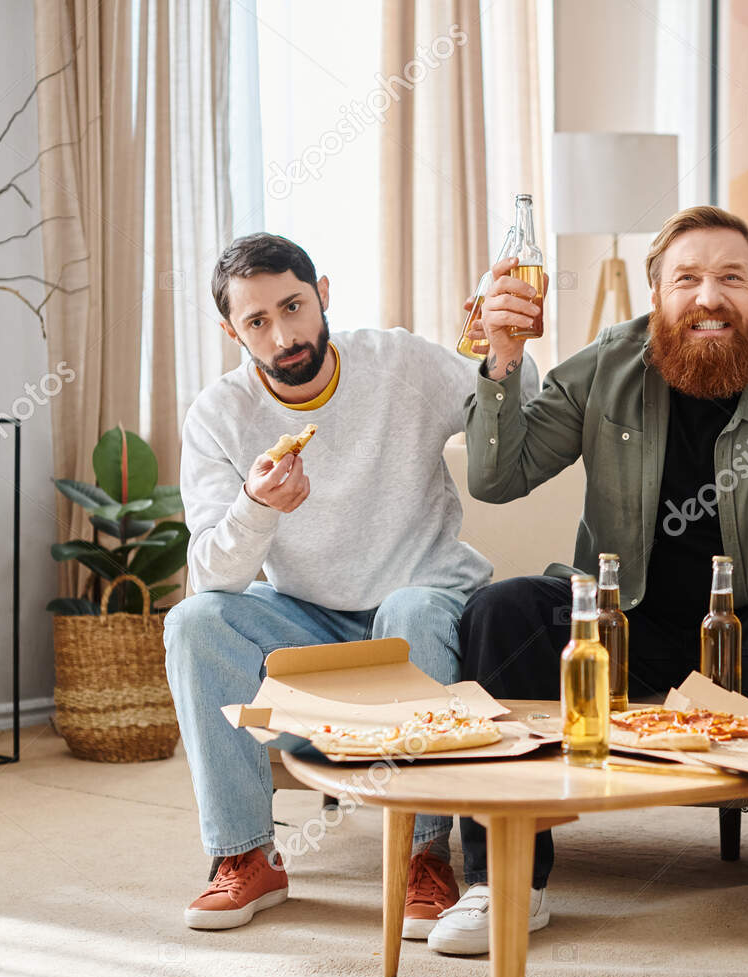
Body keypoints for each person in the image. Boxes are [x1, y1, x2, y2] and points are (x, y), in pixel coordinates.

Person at [431, 205, 748, 977]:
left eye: (731, 277)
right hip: (618, 636)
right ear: (657, 293)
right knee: (499, 609)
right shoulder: (605, 365)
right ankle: (502, 878)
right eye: (688, 278)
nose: (709, 296)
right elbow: (496, 477)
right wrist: (502, 358)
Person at [165, 233, 534, 933]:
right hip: (307, 611)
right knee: (193, 622)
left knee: (412, 609)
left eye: (294, 306)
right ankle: (246, 855)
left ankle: (426, 851)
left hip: (421, 591)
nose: (283, 334)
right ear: (231, 331)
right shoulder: (219, 413)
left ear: (323, 293)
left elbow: (512, 404)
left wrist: (499, 347)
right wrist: (257, 508)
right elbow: (212, 574)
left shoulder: (396, 362)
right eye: (257, 322)